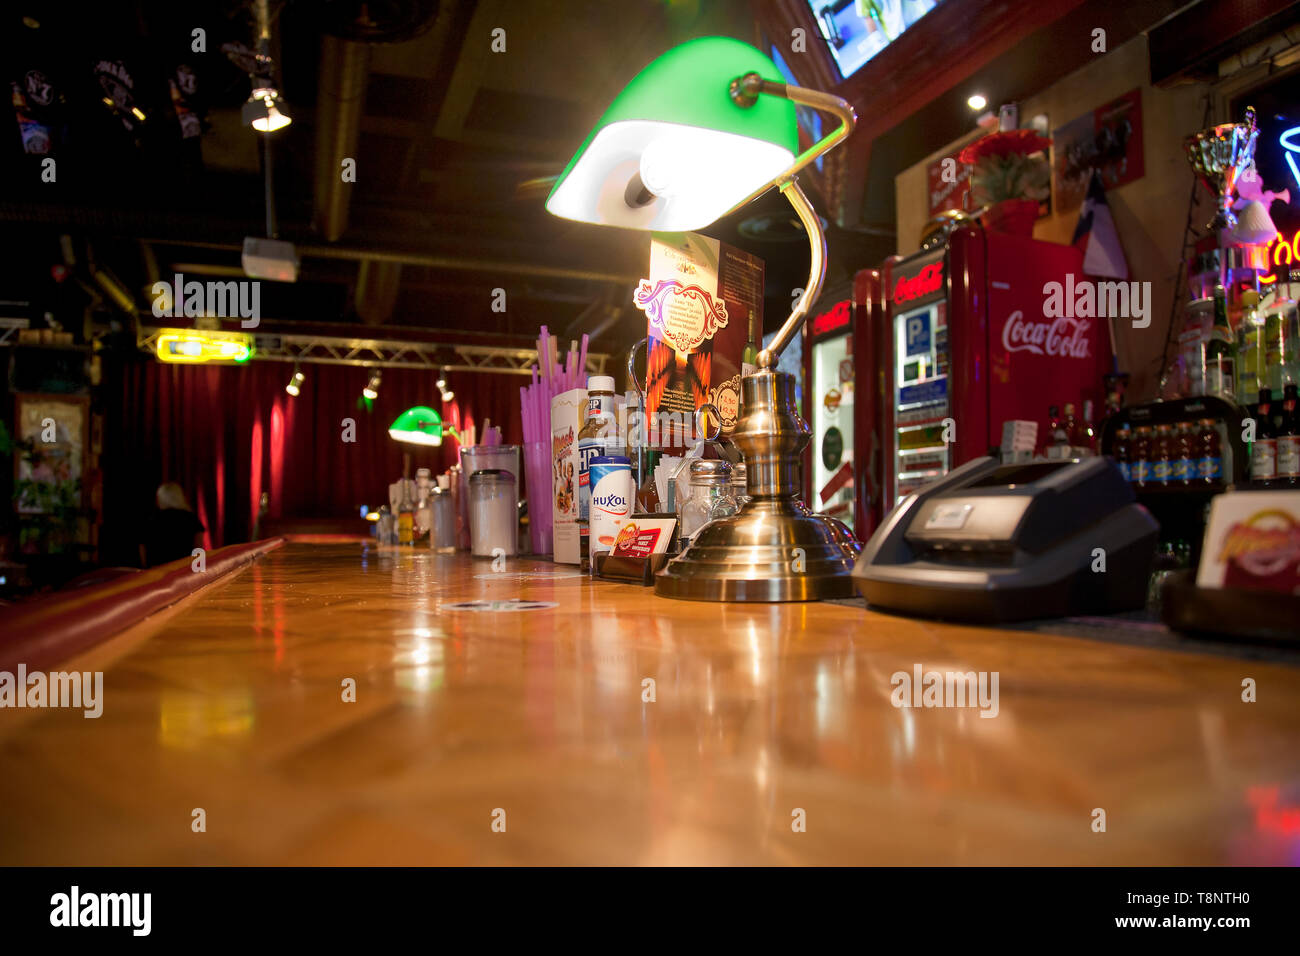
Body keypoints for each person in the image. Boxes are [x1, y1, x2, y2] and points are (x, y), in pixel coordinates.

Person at [140, 482, 205, 567]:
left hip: (157, 571)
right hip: (184, 569)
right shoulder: (190, 518)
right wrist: (199, 569)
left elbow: (143, 547)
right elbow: (198, 547)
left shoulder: (152, 519)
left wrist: (146, 568)